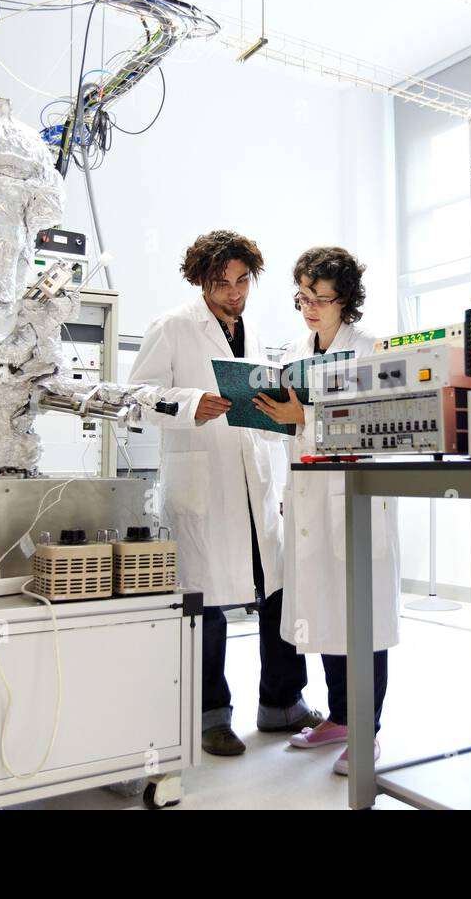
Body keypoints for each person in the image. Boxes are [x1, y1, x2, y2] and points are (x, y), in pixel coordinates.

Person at [129, 230, 322, 756]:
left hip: (254, 482)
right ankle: (211, 715)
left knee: (276, 593)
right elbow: (137, 397)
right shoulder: (171, 326)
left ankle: (282, 703)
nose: (234, 293)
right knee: (206, 602)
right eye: (222, 283)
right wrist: (192, 402)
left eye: (242, 282)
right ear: (201, 281)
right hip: (204, 485)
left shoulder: (253, 329)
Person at [253, 246, 400, 775]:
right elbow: (295, 423)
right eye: (302, 297)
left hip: (355, 498)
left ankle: (367, 730)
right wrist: (273, 414)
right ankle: (339, 717)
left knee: (362, 617)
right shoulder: (295, 350)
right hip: (309, 499)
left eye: (320, 298)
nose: (310, 307)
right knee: (323, 612)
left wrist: (305, 415)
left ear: (347, 300)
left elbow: (381, 423)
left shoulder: (371, 348)